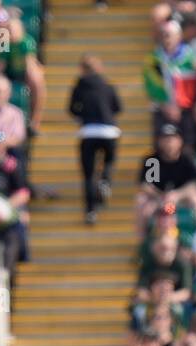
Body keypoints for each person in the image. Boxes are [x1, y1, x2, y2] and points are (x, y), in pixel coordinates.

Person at [69, 55, 122, 225]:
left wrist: (83, 115)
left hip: (88, 132)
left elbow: (71, 109)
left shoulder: (79, 87)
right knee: (108, 162)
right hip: (109, 132)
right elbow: (118, 108)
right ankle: (105, 180)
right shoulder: (108, 86)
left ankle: (90, 211)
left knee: (88, 175)